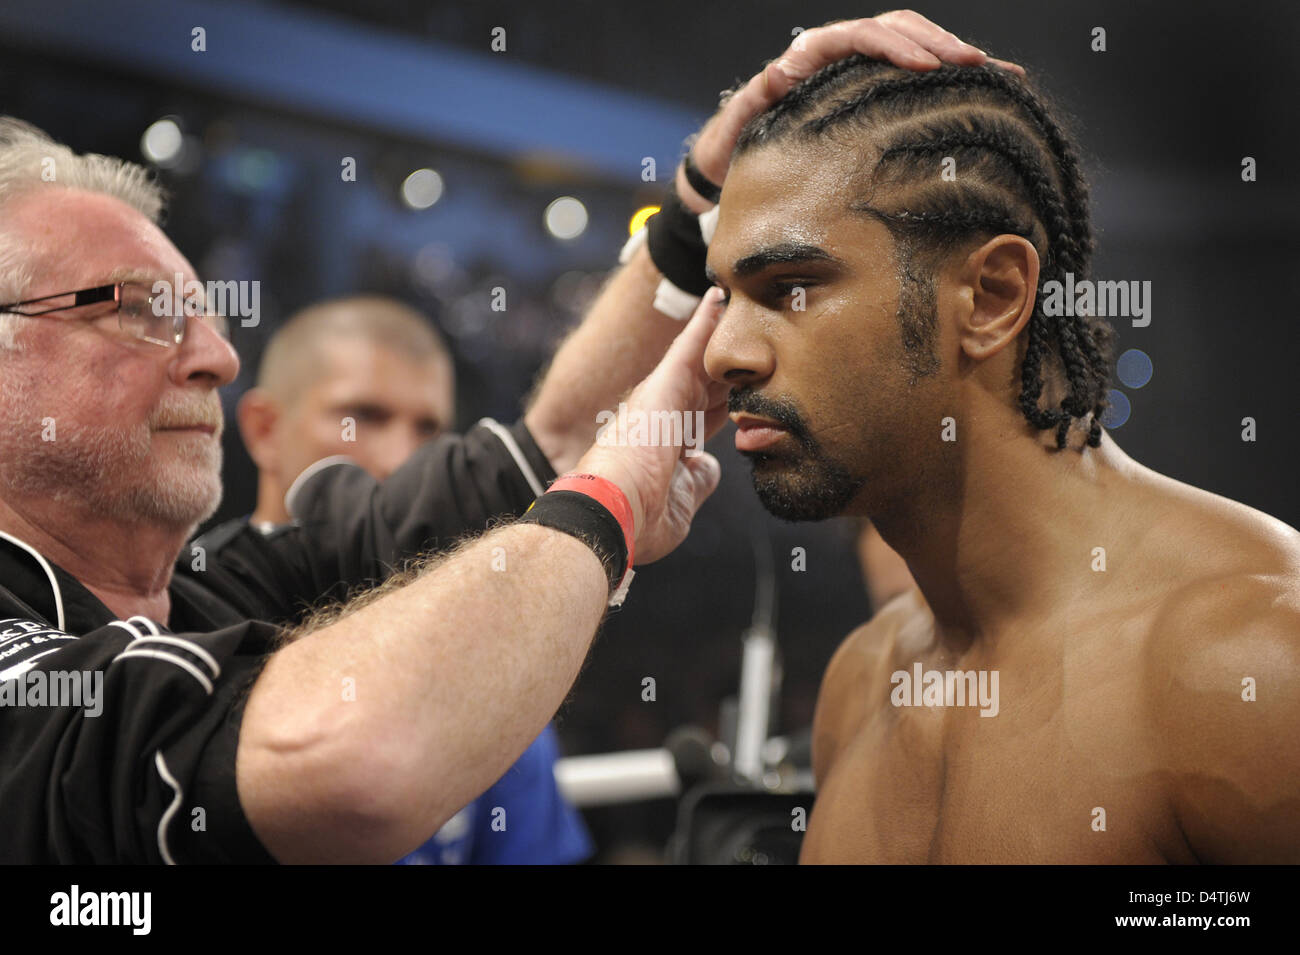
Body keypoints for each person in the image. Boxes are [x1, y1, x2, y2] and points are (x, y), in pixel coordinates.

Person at [0, 12, 1000, 863]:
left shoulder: (220, 593)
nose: (216, 352)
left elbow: (552, 441)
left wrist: (698, 209)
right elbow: (350, 759)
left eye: (205, 311)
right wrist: (612, 501)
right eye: (137, 307)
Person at [702, 53, 1300, 862]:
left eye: (791, 287)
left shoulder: (1253, 660)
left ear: (990, 298)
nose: (722, 352)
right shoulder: (864, 677)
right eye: (724, 297)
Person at [228, 295, 590, 864]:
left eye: (428, 429)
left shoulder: (481, 657)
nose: (402, 457)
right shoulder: (183, 618)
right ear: (265, 428)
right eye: (363, 416)